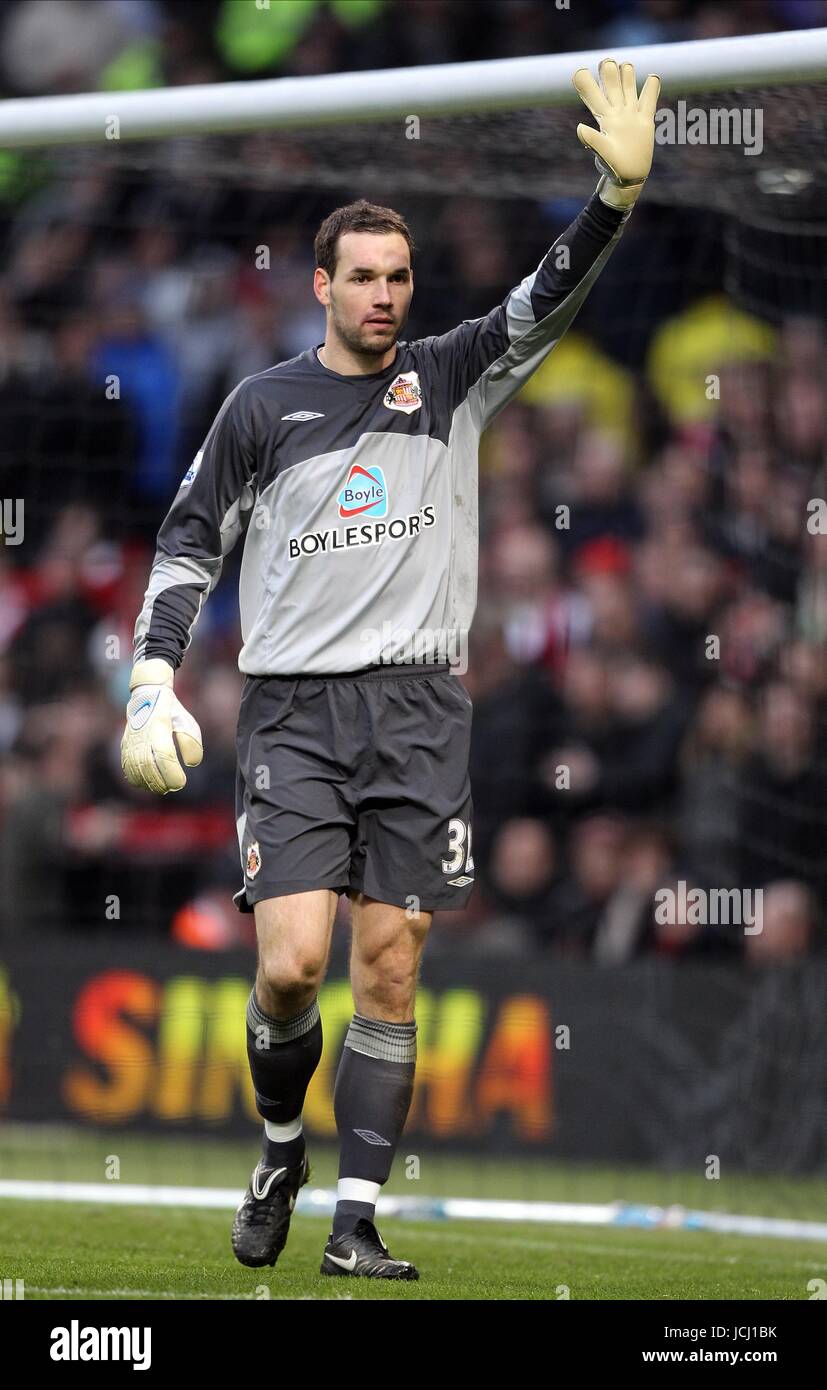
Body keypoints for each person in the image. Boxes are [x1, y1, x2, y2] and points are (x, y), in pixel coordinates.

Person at [120, 59, 660, 1281]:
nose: (379, 293)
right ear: (319, 285)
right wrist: (151, 677)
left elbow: (546, 297)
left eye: (397, 276)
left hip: (419, 708)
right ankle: (276, 1151)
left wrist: (610, 200)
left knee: (392, 962)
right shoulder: (262, 406)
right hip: (296, 712)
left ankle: (354, 1219)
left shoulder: (454, 374)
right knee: (290, 963)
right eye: (359, 275)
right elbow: (186, 541)